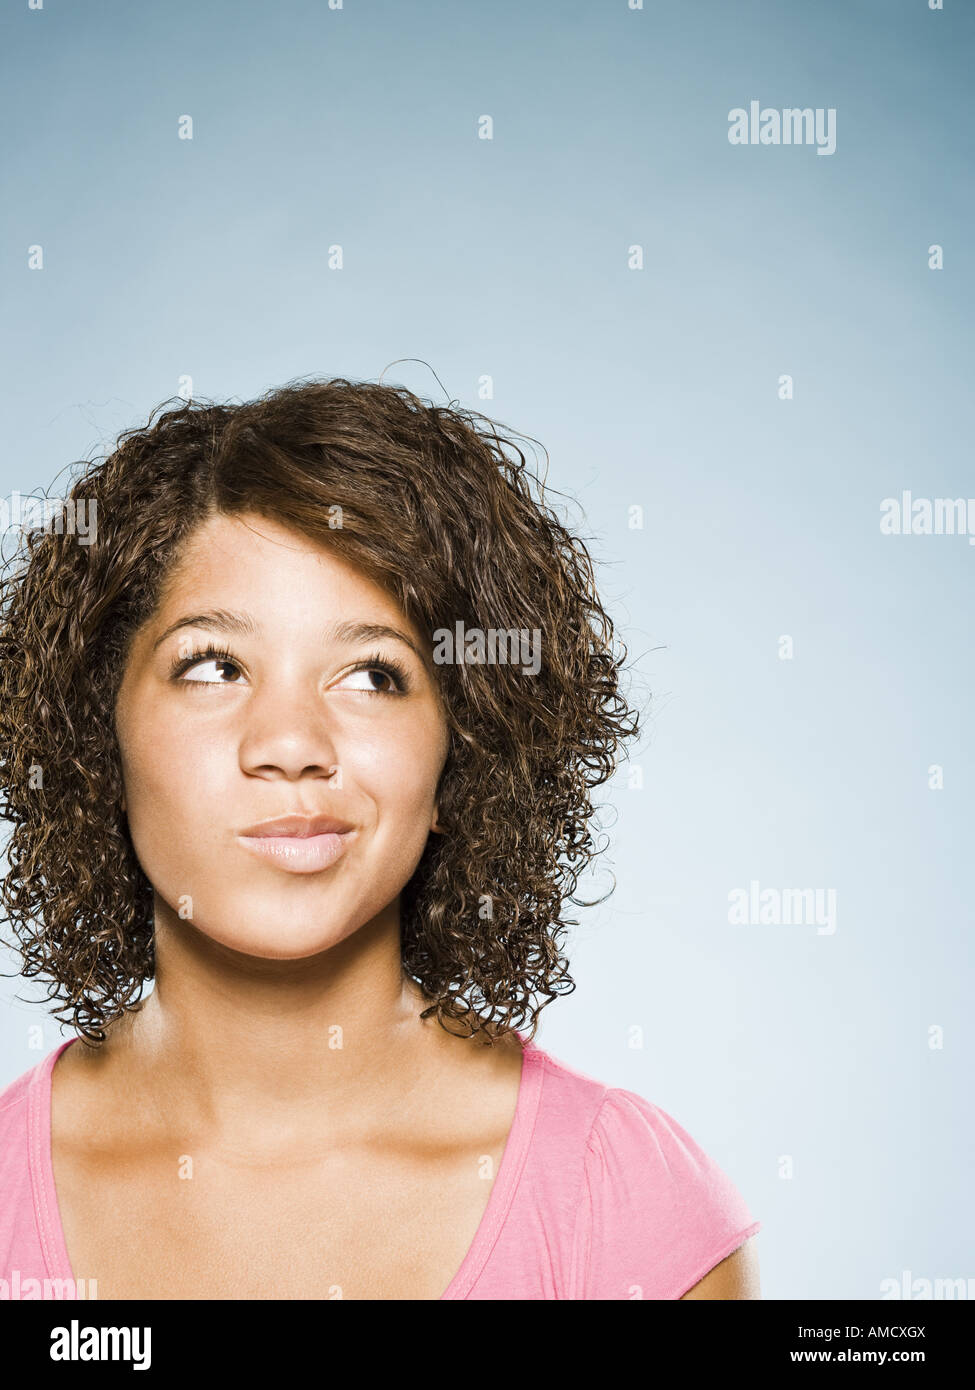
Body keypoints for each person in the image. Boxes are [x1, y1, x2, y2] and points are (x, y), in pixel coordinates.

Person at [0, 377, 760, 1300]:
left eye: (372, 674)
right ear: (97, 737)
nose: (291, 747)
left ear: (463, 752)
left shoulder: (624, 1208)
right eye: (213, 665)